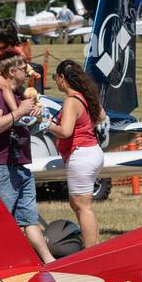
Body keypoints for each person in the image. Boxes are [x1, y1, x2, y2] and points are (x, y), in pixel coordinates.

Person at [0, 52, 53, 264]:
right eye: (24, 68)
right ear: (12, 72)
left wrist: (35, 114)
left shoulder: (20, 93)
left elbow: (27, 122)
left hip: (20, 165)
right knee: (1, 222)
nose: (28, 71)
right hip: (1, 167)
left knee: (29, 218)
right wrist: (20, 112)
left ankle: (49, 261)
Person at [46, 59, 106, 247]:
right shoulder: (84, 96)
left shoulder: (71, 101)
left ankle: (91, 252)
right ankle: (93, 243)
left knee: (83, 206)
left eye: (56, 78)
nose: (56, 82)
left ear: (62, 78)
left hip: (81, 155)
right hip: (92, 151)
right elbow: (102, 116)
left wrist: (47, 125)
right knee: (77, 203)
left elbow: (65, 131)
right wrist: (86, 126)